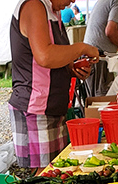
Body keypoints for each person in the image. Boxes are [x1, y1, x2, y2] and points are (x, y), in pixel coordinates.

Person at [9, 0, 99, 170]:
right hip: (35, 110)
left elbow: (51, 56)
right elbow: (45, 56)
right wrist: (80, 48)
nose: (72, 1)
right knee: (42, 180)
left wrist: (71, 68)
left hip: (52, 108)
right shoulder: (34, 5)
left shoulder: (52, 11)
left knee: (57, 172)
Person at [83, 0, 118, 97]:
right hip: (98, 59)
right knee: (102, 103)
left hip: (94, 57)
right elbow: (110, 31)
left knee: (98, 101)